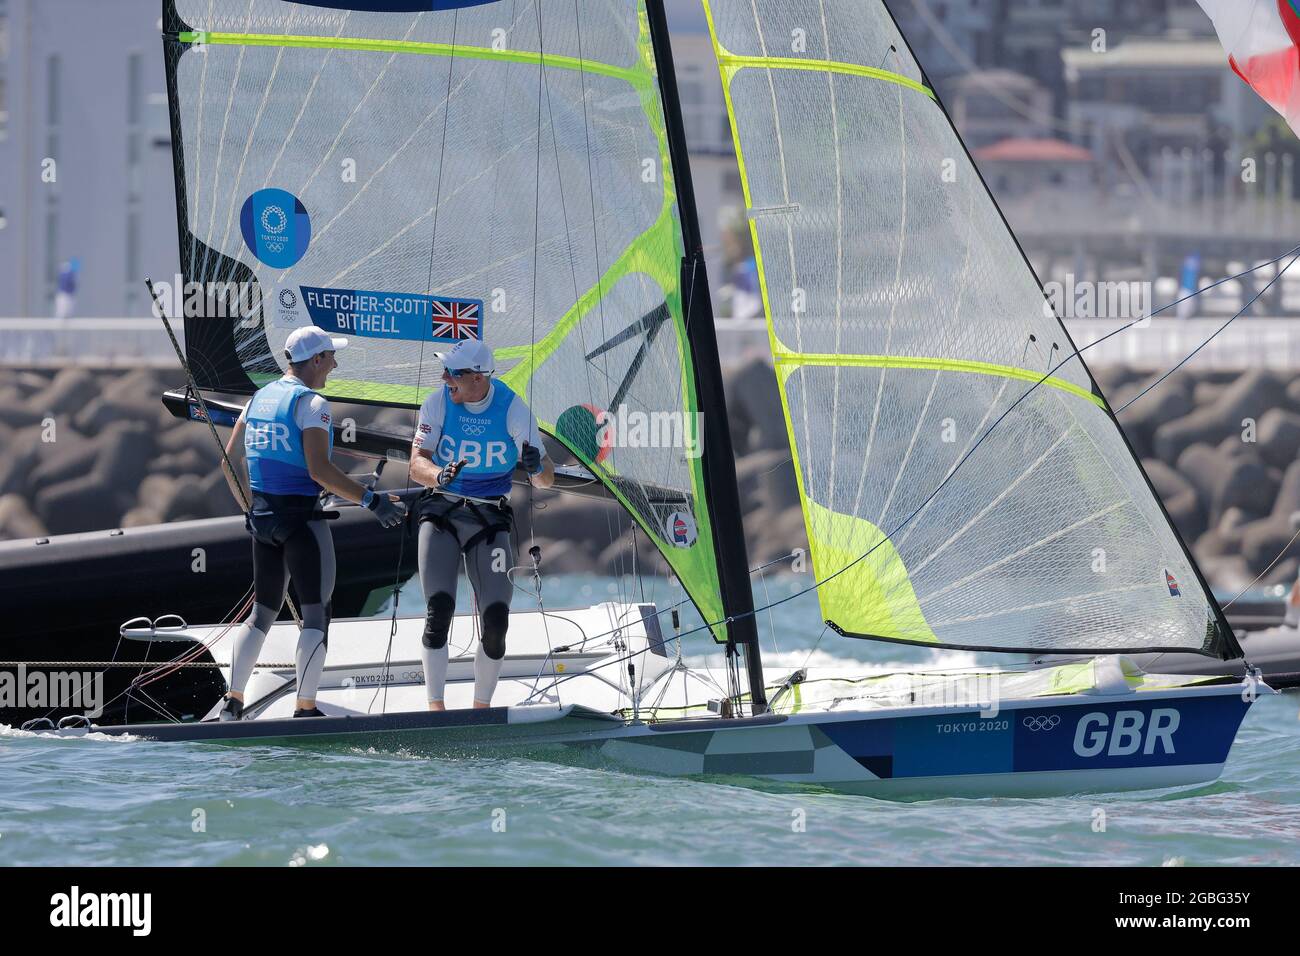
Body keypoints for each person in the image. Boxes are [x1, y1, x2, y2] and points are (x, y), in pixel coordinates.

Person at [216, 326, 404, 720]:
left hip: (263, 523)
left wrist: (252, 510)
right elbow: (320, 471)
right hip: (301, 522)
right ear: (316, 360)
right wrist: (372, 500)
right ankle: (305, 707)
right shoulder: (312, 403)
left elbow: (229, 462)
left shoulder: (259, 399)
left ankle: (233, 702)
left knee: (262, 613)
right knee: (317, 613)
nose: (335, 363)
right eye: (331, 357)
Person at [410, 339, 554, 710]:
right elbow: (416, 464)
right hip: (441, 512)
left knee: (496, 621)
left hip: (488, 518)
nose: (445, 378)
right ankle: (435, 710)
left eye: (453, 373)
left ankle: (481, 711)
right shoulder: (438, 402)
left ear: (478, 377)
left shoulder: (512, 409)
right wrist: (440, 475)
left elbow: (545, 481)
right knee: (438, 609)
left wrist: (536, 465)